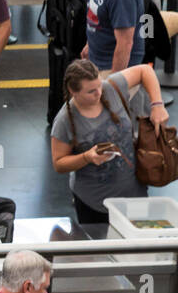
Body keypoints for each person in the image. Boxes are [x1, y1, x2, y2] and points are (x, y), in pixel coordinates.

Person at [50, 58, 164, 224]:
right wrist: (87, 157)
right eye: (91, 91)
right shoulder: (64, 121)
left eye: (99, 85)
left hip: (134, 195)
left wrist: (157, 105)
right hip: (95, 205)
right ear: (73, 91)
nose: (99, 93)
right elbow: (59, 163)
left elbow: (144, 71)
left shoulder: (111, 88)